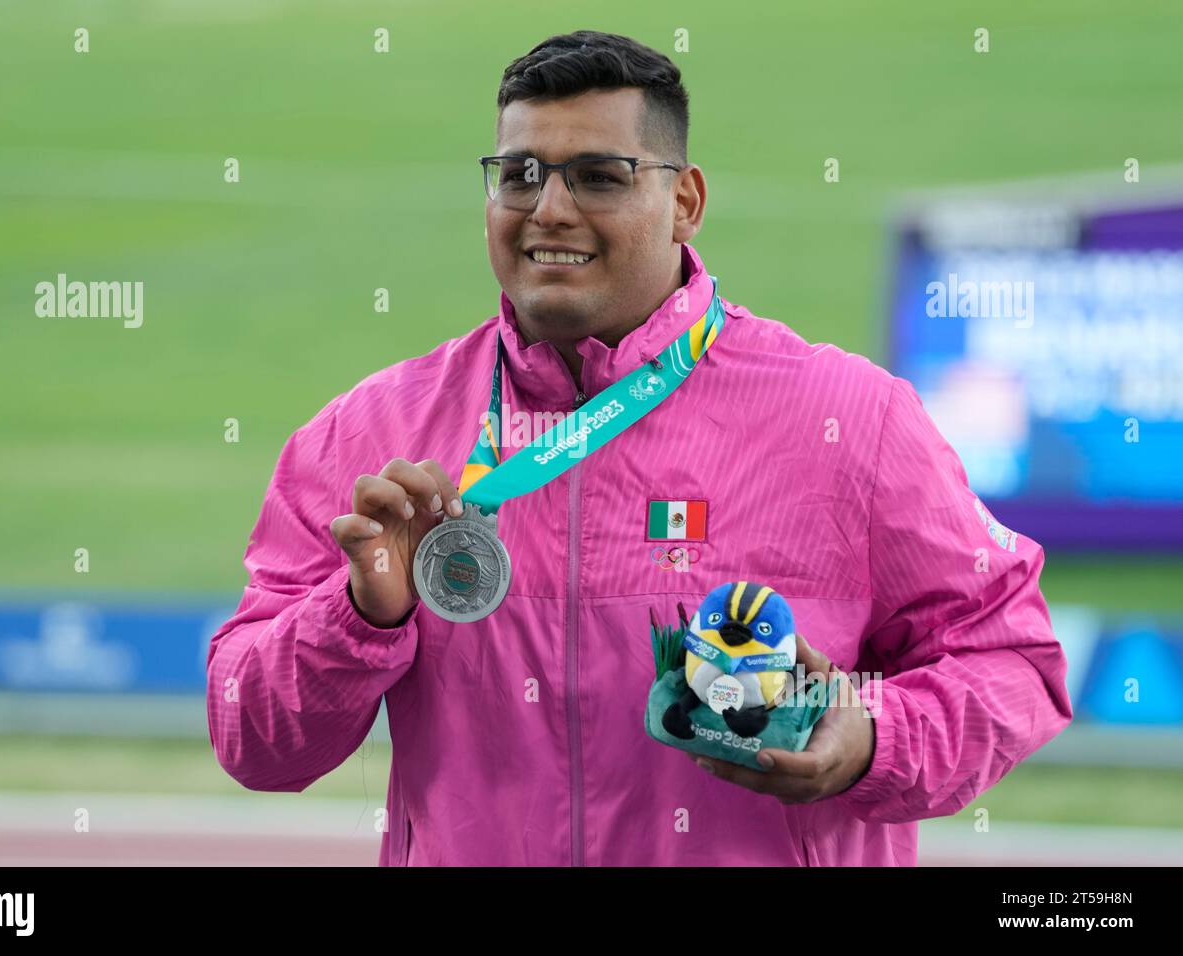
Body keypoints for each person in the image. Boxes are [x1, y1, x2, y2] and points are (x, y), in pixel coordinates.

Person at [206, 30, 1072, 865]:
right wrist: (359, 617)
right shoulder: (372, 439)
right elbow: (252, 740)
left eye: (598, 177)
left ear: (685, 202)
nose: (549, 209)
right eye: (520, 175)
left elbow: (1014, 664)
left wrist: (873, 737)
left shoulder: (850, 418)